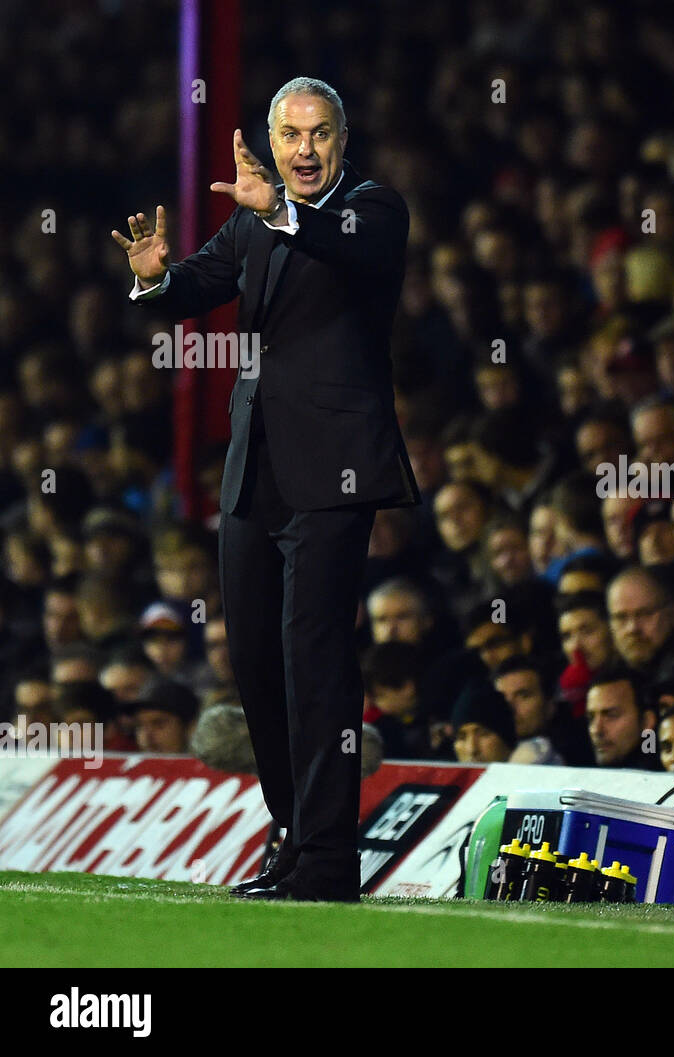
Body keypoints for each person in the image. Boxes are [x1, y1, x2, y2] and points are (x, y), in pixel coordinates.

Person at [115, 78, 418, 903]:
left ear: (343, 140)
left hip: (335, 474)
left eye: (320, 133)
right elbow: (200, 284)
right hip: (256, 472)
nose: (306, 148)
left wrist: (277, 211)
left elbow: (350, 250)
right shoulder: (257, 214)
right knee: (254, 661)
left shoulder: (372, 209)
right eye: (292, 134)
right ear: (275, 140)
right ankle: (294, 834)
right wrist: (154, 279)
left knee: (314, 661)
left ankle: (327, 861)